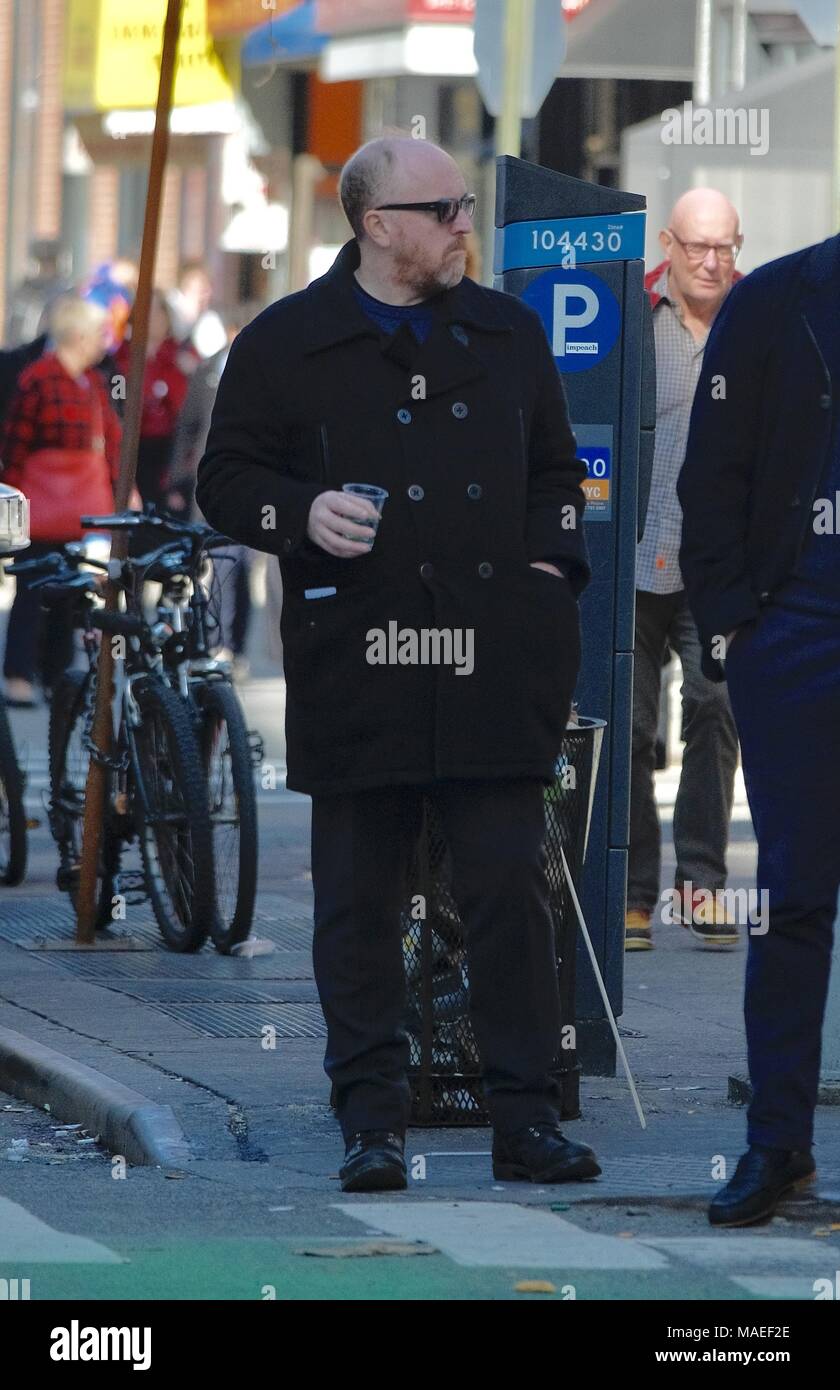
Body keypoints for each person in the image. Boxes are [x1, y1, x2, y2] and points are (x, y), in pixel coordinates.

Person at [197, 135, 600, 1194]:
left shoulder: (507, 332)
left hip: (493, 658)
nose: (466, 222)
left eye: (466, 205)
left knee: (511, 890)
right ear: (378, 227)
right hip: (359, 658)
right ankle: (372, 1120)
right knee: (359, 906)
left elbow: (559, 471)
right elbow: (225, 478)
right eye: (446, 208)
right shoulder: (289, 341)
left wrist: (551, 570)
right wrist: (298, 512)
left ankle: (526, 1118)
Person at [679, 231, 840, 1227]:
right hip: (799, 633)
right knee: (791, 895)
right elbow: (714, 469)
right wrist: (738, 624)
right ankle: (777, 1142)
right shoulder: (779, 298)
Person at [626, 189, 744, 952]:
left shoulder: (754, 323)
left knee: (718, 707)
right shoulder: (633, 320)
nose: (709, 262)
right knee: (633, 728)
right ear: (668, 243)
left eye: (723, 247)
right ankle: (633, 895)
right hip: (635, 557)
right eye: (696, 246)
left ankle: (701, 884)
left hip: (715, 562)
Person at [0, 296, 121, 706]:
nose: (104, 341)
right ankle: (18, 673)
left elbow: (114, 443)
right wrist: (12, 504)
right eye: (98, 332)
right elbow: (15, 445)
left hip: (82, 509)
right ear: (77, 335)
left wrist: (125, 488)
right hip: (41, 509)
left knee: (72, 591)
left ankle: (56, 677)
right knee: (32, 590)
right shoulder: (38, 378)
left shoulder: (94, 383)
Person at [168, 302, 260, 676]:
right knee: (216, 566)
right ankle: (215, 644)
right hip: (212, 486)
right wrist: (177, 480)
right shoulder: (208, 372)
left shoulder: (269, 374)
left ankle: (235, 646)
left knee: (241, 569)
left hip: (254, 488)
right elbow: (187, 428)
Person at [114, 290, 197, 512]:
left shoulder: (182, 357)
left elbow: (192, 410)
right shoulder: (122, 358)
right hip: (133, 450)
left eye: (158, 312)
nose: (152, 319)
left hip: (171, 452)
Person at [6, 238, 72, 347]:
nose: (46, 268)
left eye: (50, 263)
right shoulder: (23, 292)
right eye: (42, 263)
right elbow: (13, 327)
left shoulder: (65, 294)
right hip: (22, 350)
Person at [168, 261, 226, 360]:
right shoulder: (168, 310)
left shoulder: (209, 319)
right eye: (202, 289)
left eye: (208, 288)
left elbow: (217, 354)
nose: (208, 294)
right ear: (186, 287)